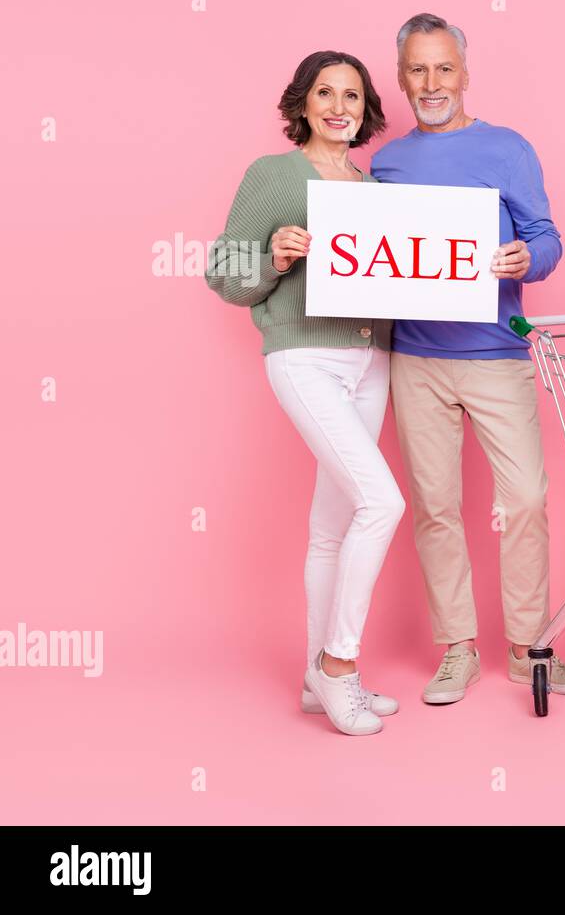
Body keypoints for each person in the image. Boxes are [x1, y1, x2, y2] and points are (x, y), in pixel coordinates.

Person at [371, 13, 565, 705]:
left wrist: (531, 258)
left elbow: (547, 238)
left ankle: (532, 647)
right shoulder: (385, 164)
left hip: (497, 353)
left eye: (443, 68)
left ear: (464, 75)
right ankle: (457, 648)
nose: (431, 83)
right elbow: (376, 258)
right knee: (435, 506)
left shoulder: (507, 149)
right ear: (402, 77)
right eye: (417, 69)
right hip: (415, 358)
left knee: (525, 497)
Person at [204, 51, 406, 736]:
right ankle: (339, 665)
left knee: (332, 526)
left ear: (366, 109)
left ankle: (314, 682)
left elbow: (402, 277)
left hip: (370, 360)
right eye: (325, 92)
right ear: (302, 104)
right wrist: (276, 257)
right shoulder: (275, 175)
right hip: (304, 355)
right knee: (382, 501)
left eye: (352, 94)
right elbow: (225, 272)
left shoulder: (377, 191)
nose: (339, 105)